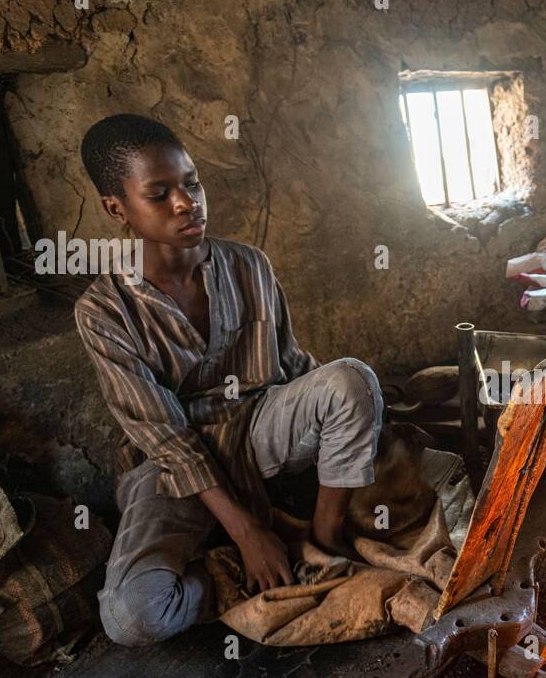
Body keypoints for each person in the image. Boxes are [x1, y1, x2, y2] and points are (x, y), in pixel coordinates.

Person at [74, 114, 382, 646]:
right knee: (131, 616)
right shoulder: (103, 311)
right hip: (173, 468)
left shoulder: (249, 265)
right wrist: (247, 534)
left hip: (257, 429)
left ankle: (320, 547)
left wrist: (359, 409)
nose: (186, 203)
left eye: (192, 183)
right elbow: (167, 440)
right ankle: (223, 572)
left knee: (353, 379)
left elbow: (292, 364)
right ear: (116, 208)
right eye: (160, 194)